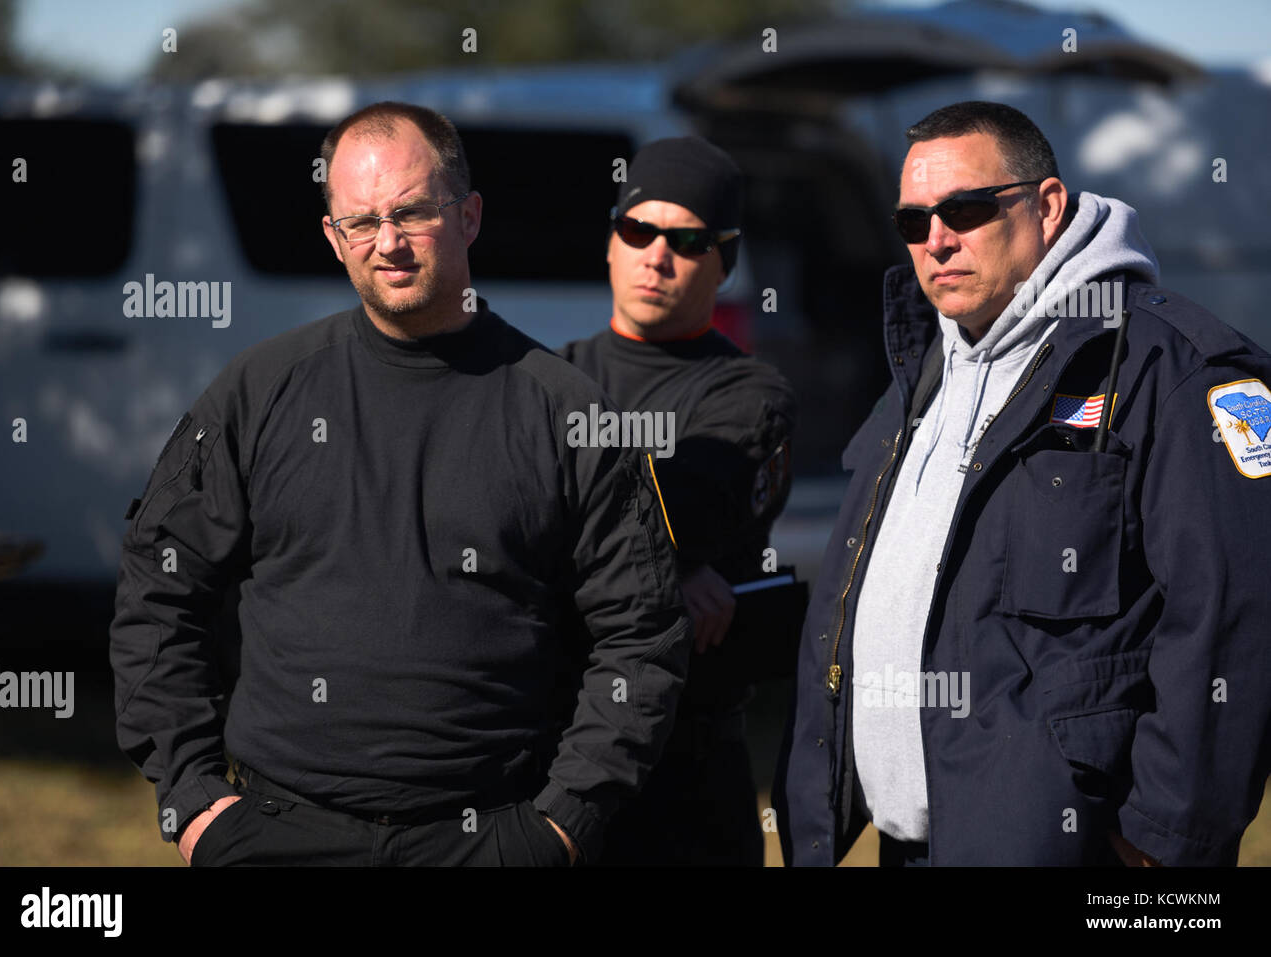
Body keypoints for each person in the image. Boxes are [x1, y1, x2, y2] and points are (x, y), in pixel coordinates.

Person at [109, 101, 691, 867]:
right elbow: (158, 585)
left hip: (488, 838)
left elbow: (642, 633)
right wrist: (191, 795)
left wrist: (564, 821)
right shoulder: (259, 391)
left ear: (470, 215)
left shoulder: (567, 411)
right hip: (275, 833)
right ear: (333, 237)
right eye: (360, 221)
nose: (387, 242)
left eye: (413, 212)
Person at [776, 101, 1271, 866]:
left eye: (965, 209)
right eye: (913, 222)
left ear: (1047, 206)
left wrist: (1164, 841)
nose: (937, 239)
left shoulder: (1172, 369)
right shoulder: (922, 374)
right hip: (913, 845)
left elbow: (1235, 616)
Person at [560, 137, 796, 865]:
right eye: (638, 230)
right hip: (555, 760)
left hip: (685, 771)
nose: (656, 256)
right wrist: (668, 567)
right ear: (610, 243)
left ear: (724, 263)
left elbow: (687, 509)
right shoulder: (550, 377)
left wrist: (658, 547)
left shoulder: (749, 393)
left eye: (687, 239)